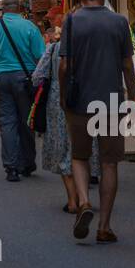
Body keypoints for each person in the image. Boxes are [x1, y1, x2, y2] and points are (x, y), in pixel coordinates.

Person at [61, 0, 135, 244]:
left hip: (80, 101)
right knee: (109, 163)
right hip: (111, 103)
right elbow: (128, 65)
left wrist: (62, 96)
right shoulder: (119, 22)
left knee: (80, 157)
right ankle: (104, 226)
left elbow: (63, 66)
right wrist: (132, 97)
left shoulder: (71, 21)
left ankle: (83, 201)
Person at [0, 0, 45, 182]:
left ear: (2, 7)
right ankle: (27, 162)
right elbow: (40, 57)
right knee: (27, 120)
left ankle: (11, 166)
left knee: (7, 120)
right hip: (24, 79)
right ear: (19, 6)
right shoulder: (30, 27)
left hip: (0, 77)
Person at [34, 29, 83, 215]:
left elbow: (37, 76)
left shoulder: (53, 49)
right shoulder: (88, 48)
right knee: (81, 150)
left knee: (63, 149)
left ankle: (72, 200)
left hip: (58, 101)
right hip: (86, 100)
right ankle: (83, 197)